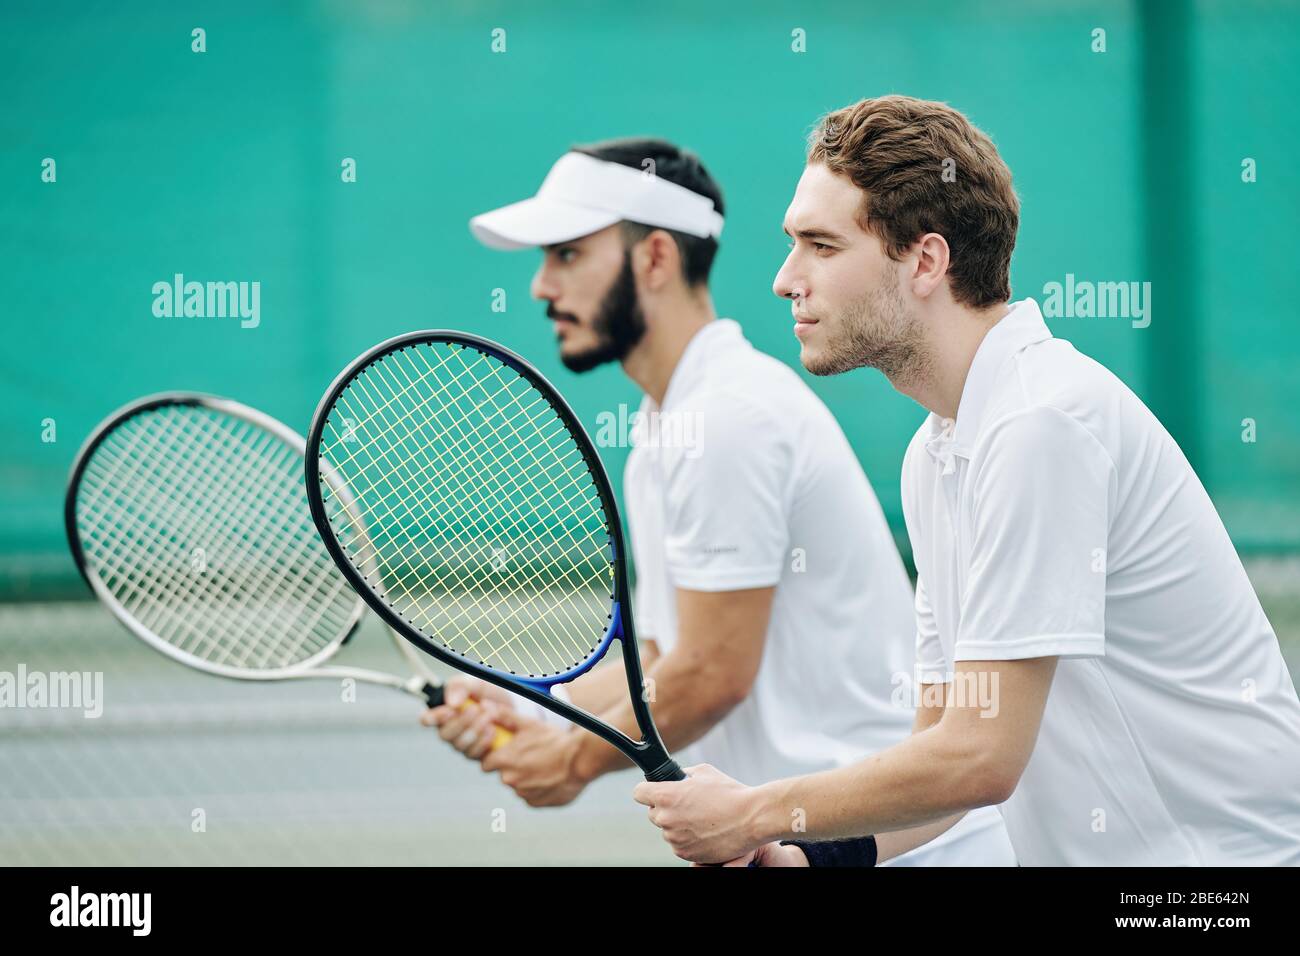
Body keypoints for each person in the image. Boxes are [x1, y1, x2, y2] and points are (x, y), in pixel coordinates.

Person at [633, 95, 1300, 866]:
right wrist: (808, 856)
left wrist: (754, 813)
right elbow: (943, 750)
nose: (786, 280)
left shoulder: (1041, 424)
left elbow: (981, 758)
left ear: (926, 261)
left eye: (821, 245)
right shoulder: (939, 451)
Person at [424, 136, 1015, 865]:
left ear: (657, 259)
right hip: (809, 850)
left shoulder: (729, 418)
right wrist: (523, 708)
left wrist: (572, 761)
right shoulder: (671, 422)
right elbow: (667, 656)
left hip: (899, 849)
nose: (542, 286)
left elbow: (711, 673)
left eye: (568, 254)